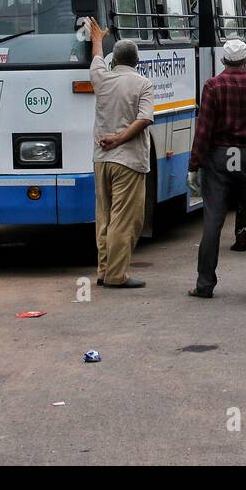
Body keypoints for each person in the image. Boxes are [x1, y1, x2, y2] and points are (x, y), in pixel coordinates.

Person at [188, 38, 246, 299]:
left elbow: (203, 128)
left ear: (223, 61)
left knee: (213, 221)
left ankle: (205, 284)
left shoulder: (213, 85)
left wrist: (194, 164)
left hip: (218, 158)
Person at [85, 20, 155, 289]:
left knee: (104, 217)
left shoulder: (102, 77)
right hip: (128, 160)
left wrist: (98, 39)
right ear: (137, 60)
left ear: (115, 60)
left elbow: (96, 59)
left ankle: (104, 270)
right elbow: (144, 119)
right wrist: (119, 138)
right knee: (125, 220)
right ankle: (117, 275)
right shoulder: (142, 83)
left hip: (101, 160)